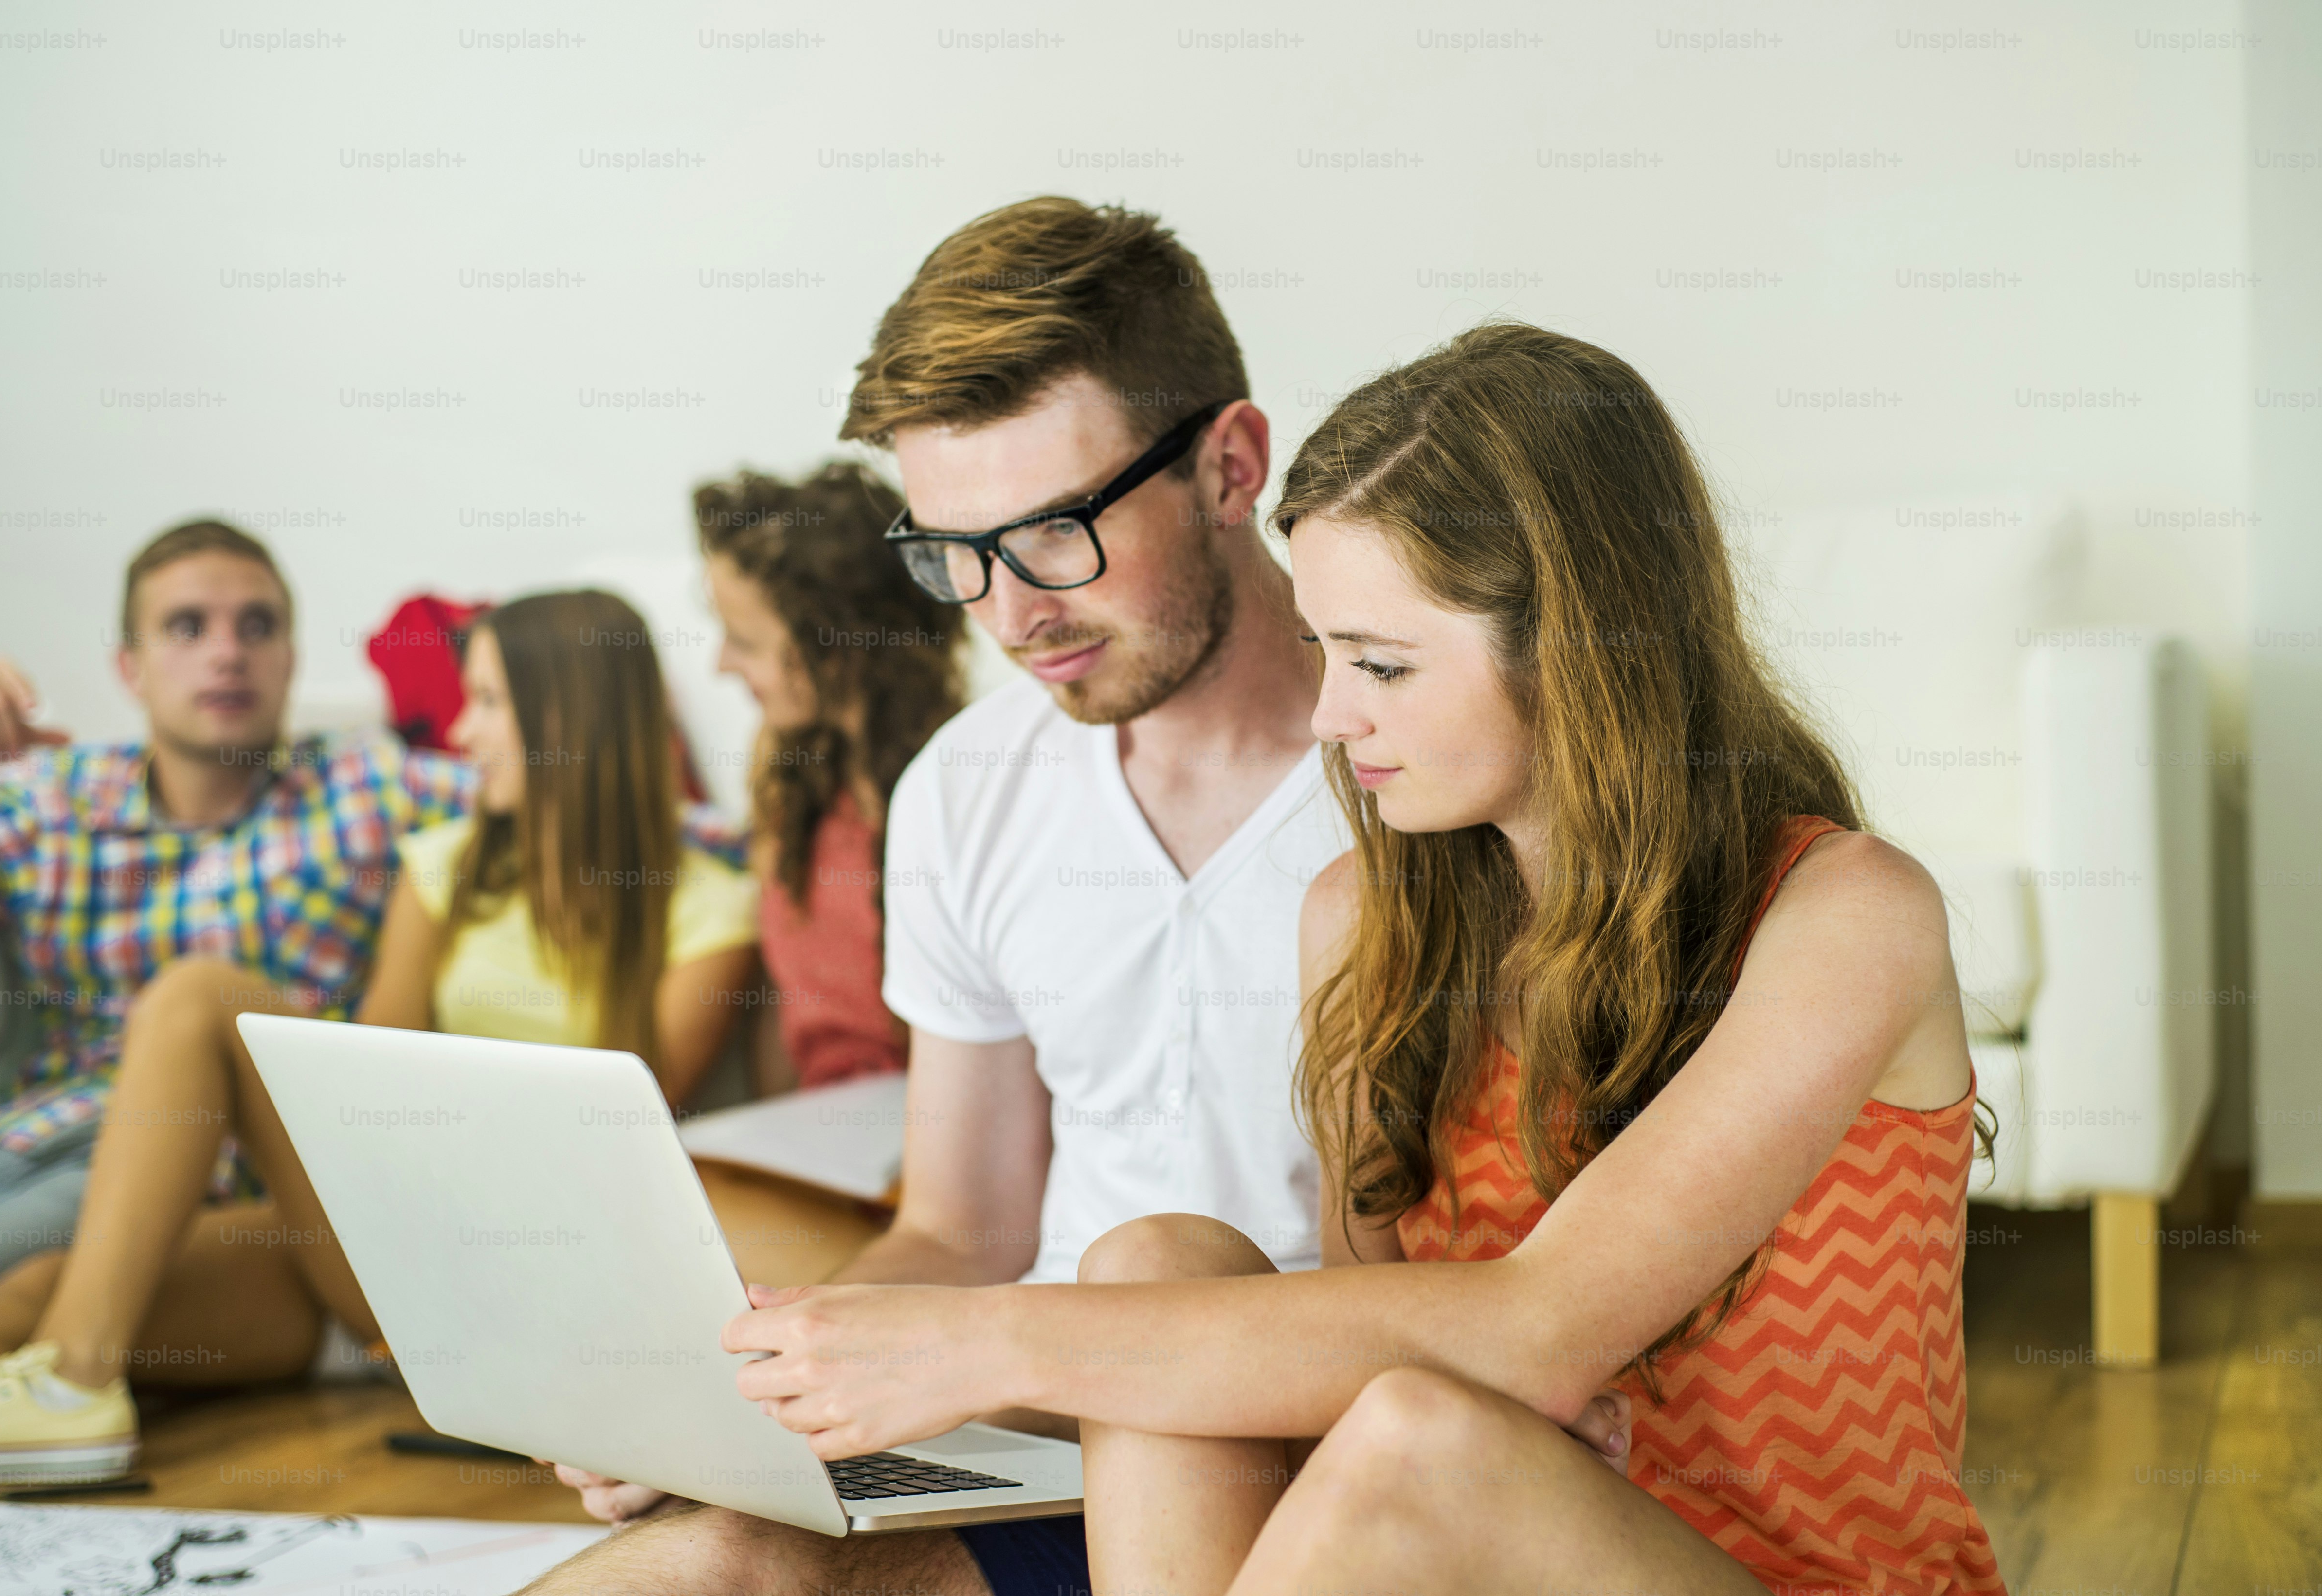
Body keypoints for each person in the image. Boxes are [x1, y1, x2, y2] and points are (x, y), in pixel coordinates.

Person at [698, 324, 2009, 1593]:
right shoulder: (1363, 922)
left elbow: (1533, 1336)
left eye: (1383, 662)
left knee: (1420, 1449)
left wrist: (980, 1346)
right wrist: (791, 1384)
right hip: (1472, 1564)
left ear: (1585, 646)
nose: (1332, 717)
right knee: (1158, 1264)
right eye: (1327, 652)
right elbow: (1367, 1346)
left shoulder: (1845, 915)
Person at [528, 198, 1388, 1596]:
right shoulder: (967, 788)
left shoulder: (1419, 773)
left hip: (1335, 1446)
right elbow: (963, 1229)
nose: (1010, 614)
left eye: (1055, 535)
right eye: (953, 553)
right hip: (1047, 1439)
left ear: (1231, 466)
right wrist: (749, 1392)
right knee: (702, 1568)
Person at [0, 589, 760, 1486]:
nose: (463, 735)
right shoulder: (446, 865)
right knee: (31, 1296)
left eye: (486, 703)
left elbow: (624, 1151)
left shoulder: (710, 911)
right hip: (374, 1250)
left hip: (530, 1272)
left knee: (201, 997)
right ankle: (69, 1383)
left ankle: (70, 1387)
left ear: (570, 717)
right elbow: (370, 1090)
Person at [0, 520, 472, 1309]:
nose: (228, 653)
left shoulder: (368, 790)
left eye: (259, 627)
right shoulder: (47, 798)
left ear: (290, 658)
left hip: (156, 1178)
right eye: (188, 627)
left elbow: (582, 810)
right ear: (131, 667)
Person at [693, 463, 967, 1095]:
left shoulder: (957, 794)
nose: (721, 665)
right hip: (811, 1138)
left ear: (838, 649)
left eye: (744, 641)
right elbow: (785, 1007)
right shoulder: (784, 767)